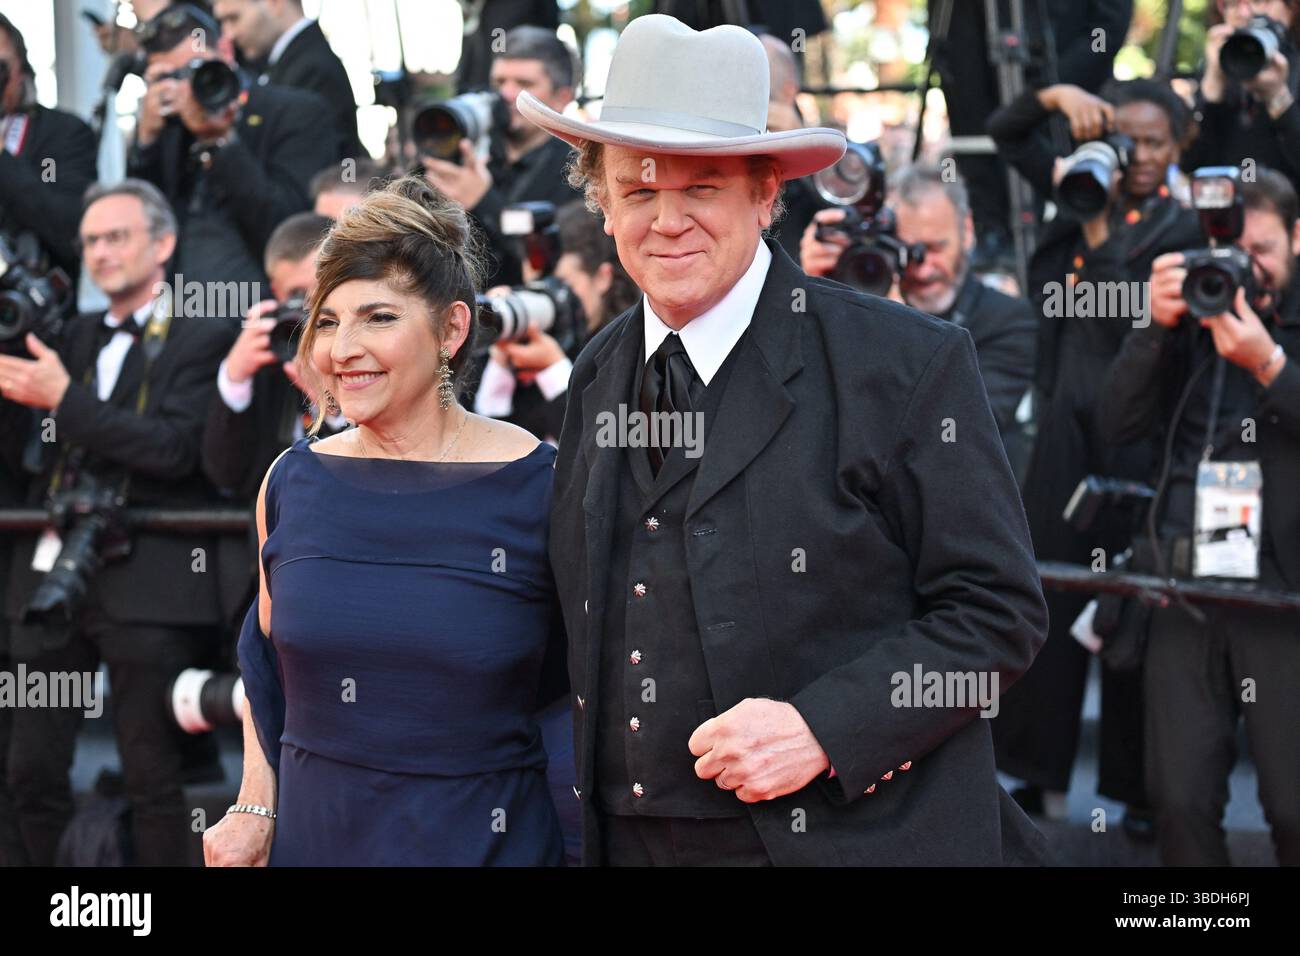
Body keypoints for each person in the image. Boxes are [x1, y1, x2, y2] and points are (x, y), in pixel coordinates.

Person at [520, 14, 1049, 866]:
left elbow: (998, 615)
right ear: (604, 201)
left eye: (702, 187)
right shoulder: (597, 371)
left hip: (843, 841)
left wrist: (827, 729)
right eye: (640, 190)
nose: (668, 220)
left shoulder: (904, 363)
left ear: (766, 195)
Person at [203, 175, 567, 866]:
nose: (342, 350)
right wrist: (255, 804)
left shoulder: (540, 485)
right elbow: (265, 665)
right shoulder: (291, 480)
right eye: (328, 321)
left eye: (378, 317)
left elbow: (582, 694)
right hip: (319, 840)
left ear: (452, 329)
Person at [986, 76, 1203, 829]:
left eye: (1155, 142)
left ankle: (1135, 792)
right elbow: (1006, 132)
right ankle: (1036, 776)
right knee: (1047, 601)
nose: (1138, 155)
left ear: (1180, 146)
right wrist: (1055, 100)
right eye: (1127, 140)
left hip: (1140, 441)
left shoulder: (1183, 230)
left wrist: (1103, 227)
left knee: (1133, 614)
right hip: (1062, 437)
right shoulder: (1081, 187)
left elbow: (1126, 330)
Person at [0, 179, 234, 866]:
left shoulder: (202, 333)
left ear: (163, 244)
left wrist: (64, 400)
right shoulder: (64, 336)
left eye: (116, 237)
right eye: (90, 241)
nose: (100, 253)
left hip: (147, 578)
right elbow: (25, 454)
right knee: (28, 770)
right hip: (49, 575)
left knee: (150, 774)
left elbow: (174, 449)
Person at [1098, 167, 1300, 866]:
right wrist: (1153, 326)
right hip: (1185, 578)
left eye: (1263, 252)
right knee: (1179, 801)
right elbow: (1114, 424)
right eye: (1231, 254)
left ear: (1298, 239)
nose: (1247, 271)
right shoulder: (1190, 316)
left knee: (1292, 804)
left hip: (1283, 591)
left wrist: (1270, 363)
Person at [800, 163, 1036, 460]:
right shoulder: (855, 307)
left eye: (935, 248)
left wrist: (892, 325)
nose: (923, 268)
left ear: (967, 230)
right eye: (907, 250)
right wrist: (816, 293)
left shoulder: (1007, 320)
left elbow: (958, 432)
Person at [128, 3, 340, 301]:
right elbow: (144, 222)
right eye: (170, 77)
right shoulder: (170, 125)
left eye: (196, 70)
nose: (187, 87)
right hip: (181, 312)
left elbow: (289, 227)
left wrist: (220, 141)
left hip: (263, 308)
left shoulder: (297, 112)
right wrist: (146, 139)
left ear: (226, 51)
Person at [202, 210, 345, 504]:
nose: (307, 309)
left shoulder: (370, 352)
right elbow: (228, 478)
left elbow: (372, 476)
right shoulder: (272, 354)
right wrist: (235, 379)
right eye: (295, 294)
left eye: (318, 294)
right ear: (275, 291)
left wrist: (330, 405)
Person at [423, 25, 582, 287]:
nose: (506, 94)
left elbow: (555, 265)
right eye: (499, 82)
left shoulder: (580, 173)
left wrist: (484, 201)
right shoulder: (466, 154)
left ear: (562, 98)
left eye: (524, 84)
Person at [474, 200, 638, 442]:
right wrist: (500, 364)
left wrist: (554, 372)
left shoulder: (631, 349)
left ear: (602, 278)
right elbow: (486, 448)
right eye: (536, 285)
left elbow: (605, 452)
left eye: (562, 285)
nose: (547, 296)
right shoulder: (527, 347)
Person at [0, 13, 98, 278]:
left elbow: (67, 230)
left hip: (37, 307)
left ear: (20, 69)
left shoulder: (61, 133)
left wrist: (3, 159)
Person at [213, 0, 364, 160]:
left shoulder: (311, 68)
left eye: (234, 18)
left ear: (275, 3)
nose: (229, 34)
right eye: (223, 22)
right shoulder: (292, 61)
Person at [1182, 0, 1300, 191]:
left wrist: (1278, 97)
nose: (1245, 13)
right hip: (1225, 210)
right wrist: (1212, 85)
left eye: (1258, 1)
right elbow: (1191, 164)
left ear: (1291, 9)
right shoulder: (1221, 72)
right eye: (1231, 3)